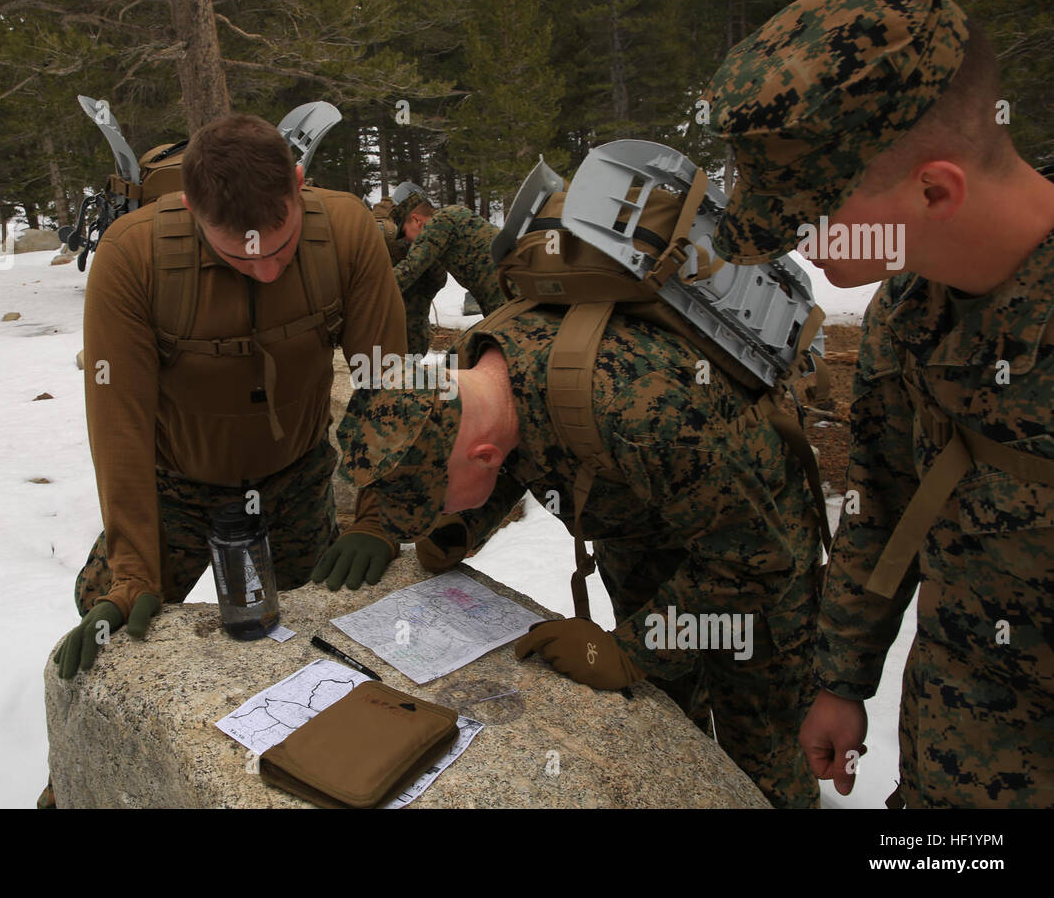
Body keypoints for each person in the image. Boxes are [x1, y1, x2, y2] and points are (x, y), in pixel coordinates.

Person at [333, 198, 827, 808]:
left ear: (481, 456)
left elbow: (756, 560)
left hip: (754, 546)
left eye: (433, 501)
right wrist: (465, 524)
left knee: (760, 753)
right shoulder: (478, 371)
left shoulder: (643, 411)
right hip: (643, 521)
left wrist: (631, 650)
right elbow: (522, 445)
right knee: (671, 722)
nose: (427, 519)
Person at [704, 0, 1054, 807]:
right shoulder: (909, 313)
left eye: (807, 213)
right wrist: (842, 679)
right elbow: (886, 501)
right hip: (951, 755)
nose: (788, 238)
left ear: (935, 190)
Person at [54, 114, 408, 681]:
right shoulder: (131, 256)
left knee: (323, 638)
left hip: (297, 480)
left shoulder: (346, 231)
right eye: (241, 256)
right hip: (177, 486)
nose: (266, 270)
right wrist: (132, 575)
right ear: (193, 208)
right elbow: (119, 424)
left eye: (283, 247)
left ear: (297, 182)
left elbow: (387, 383)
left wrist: (378, 520)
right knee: (106, 613)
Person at [390, 187, 507, 320]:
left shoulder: (438, 223)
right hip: (507, 294)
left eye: (404, 232)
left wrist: (370, 289)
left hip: (506, 297)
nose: (406, 239)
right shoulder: (450, 217)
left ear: (417, 220)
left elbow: (410, 268)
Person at [373, 195, 447, 355]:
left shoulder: (430, 243)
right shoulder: (405, 244)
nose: (405, 236)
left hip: (408, 332)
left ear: (416, 220)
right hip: (407, 332)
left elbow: (437, 280)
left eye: (405, 230)